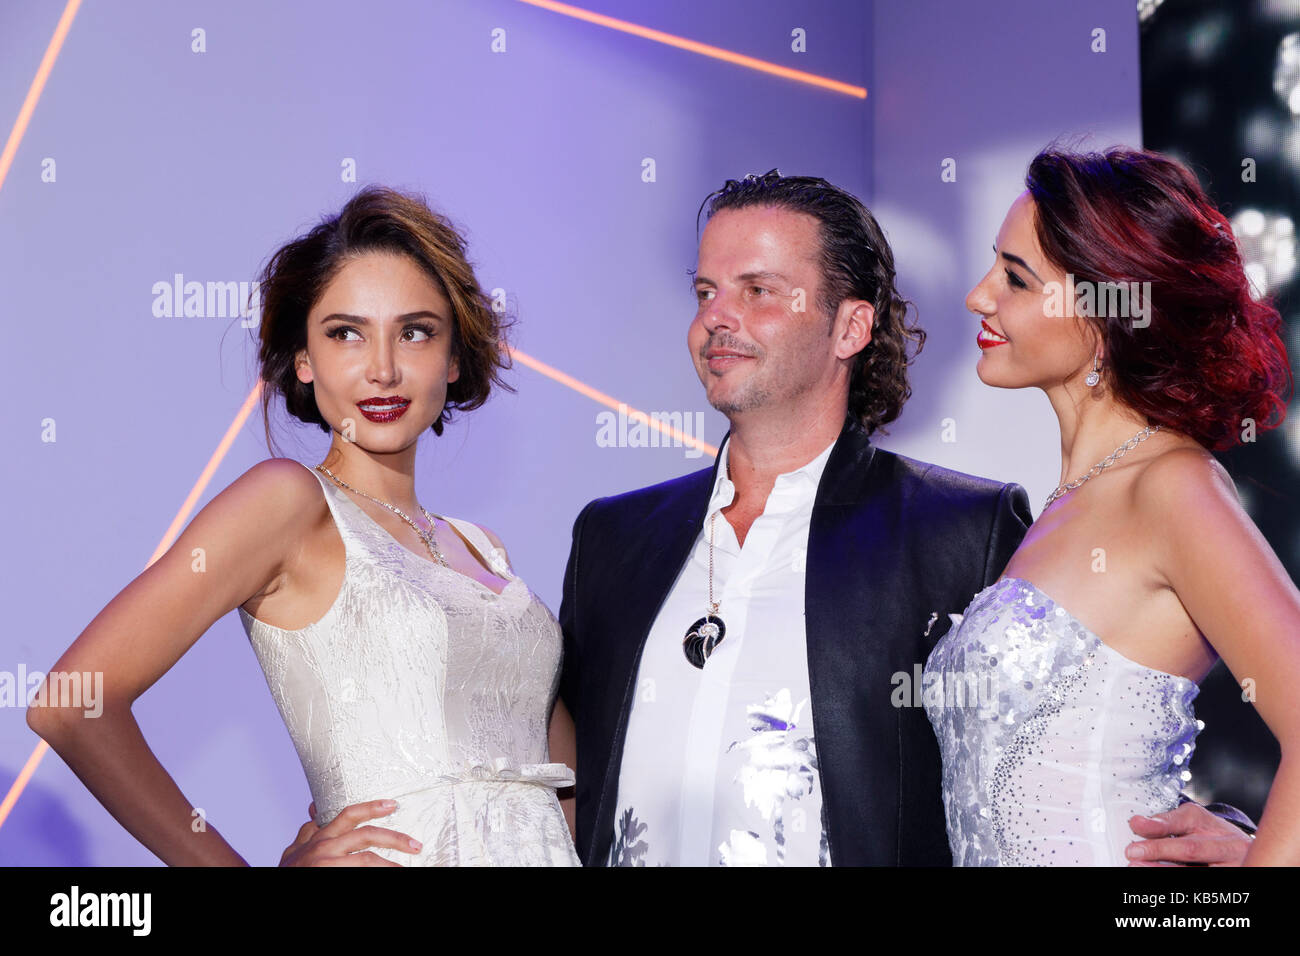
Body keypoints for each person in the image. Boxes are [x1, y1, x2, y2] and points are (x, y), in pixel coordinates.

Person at [556, 170, 1255, 866]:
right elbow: (561, 775)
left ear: (851, 326)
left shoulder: (963, 531)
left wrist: (1227, 841)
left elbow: (1050, 740)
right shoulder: (611, 541)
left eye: (758, 290)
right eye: (706, 291)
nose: (717, 316)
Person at [27, 186, 579, 866]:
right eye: (346, 333)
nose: (382, 368)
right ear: (303, 360)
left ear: (455, 357)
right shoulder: (289, 501)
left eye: (415, 331)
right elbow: (71, 703)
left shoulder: (482, 549)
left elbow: (551, 781)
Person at [923, 146, 1300, 865]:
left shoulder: (1170, 486)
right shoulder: (1069, 504)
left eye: (1015, 278)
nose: (979, 296)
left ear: (1102, 315)